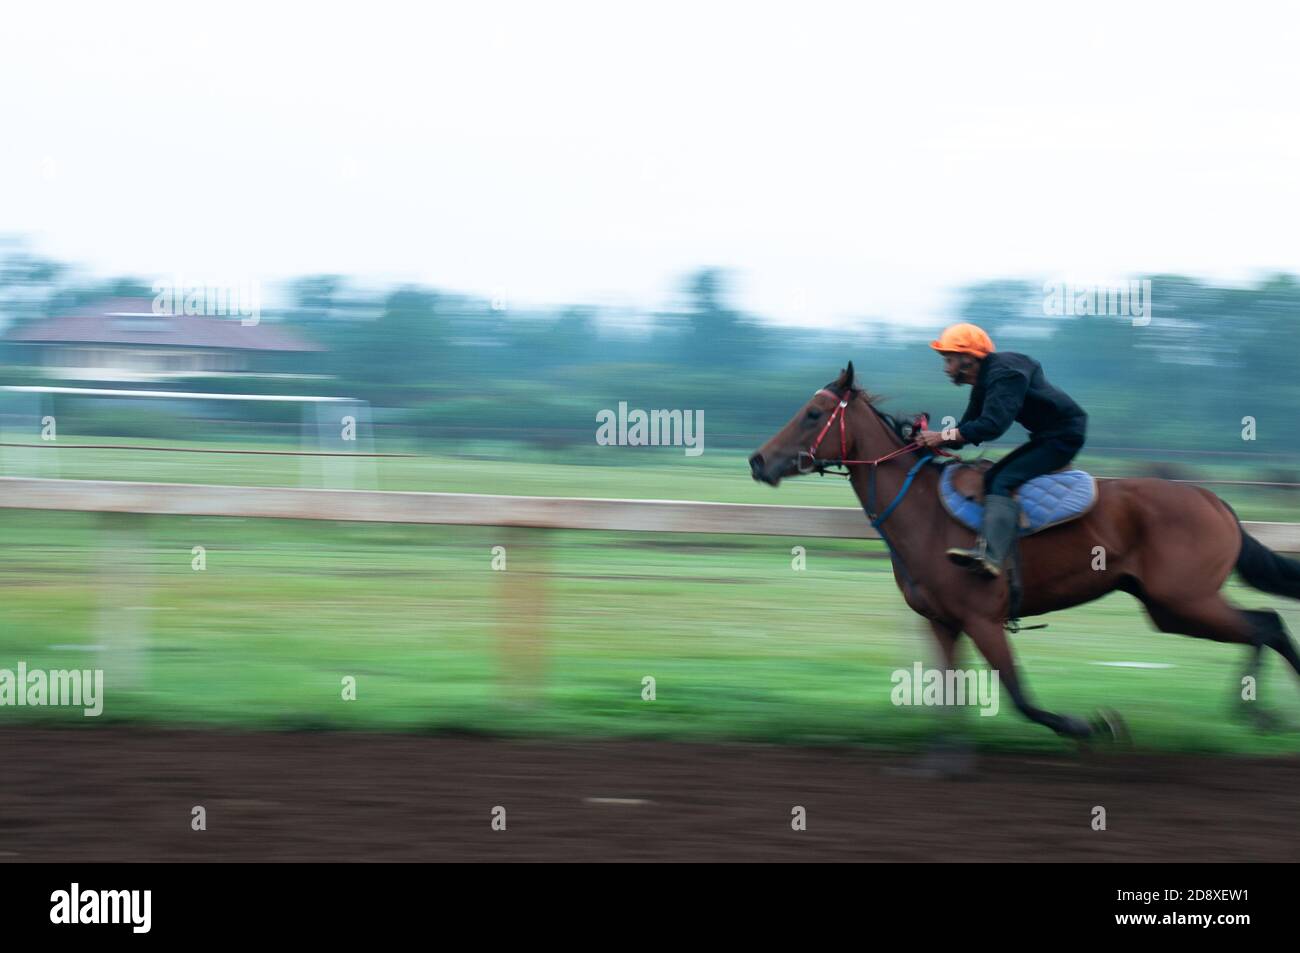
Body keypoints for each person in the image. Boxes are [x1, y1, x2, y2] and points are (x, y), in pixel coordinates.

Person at [916, 323, 1088, 578]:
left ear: (968, 359)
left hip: (1064, 437)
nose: (946, 368)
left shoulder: (1005, 373)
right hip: (1047, 436)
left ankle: (992, 557)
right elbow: (967, 428)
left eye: (949, 359)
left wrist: (941, 436)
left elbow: (991, 426)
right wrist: (933, 440)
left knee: (1001, 480)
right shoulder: (983, 384)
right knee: (994, 477)